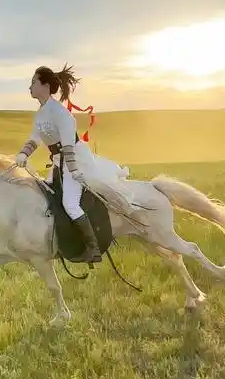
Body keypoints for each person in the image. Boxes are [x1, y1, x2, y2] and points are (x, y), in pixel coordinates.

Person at [15, 64, 140, 263]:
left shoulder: (61, 114)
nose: (29, 87)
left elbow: (68, 146)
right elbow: (34, 139)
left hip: (76, 161)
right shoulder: (41, 114)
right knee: (45, 196)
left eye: (33, 82)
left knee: (70, 204)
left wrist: (74, 171)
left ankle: (94, 249)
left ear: (45, 85)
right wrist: (23, 154)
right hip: (58, 161)